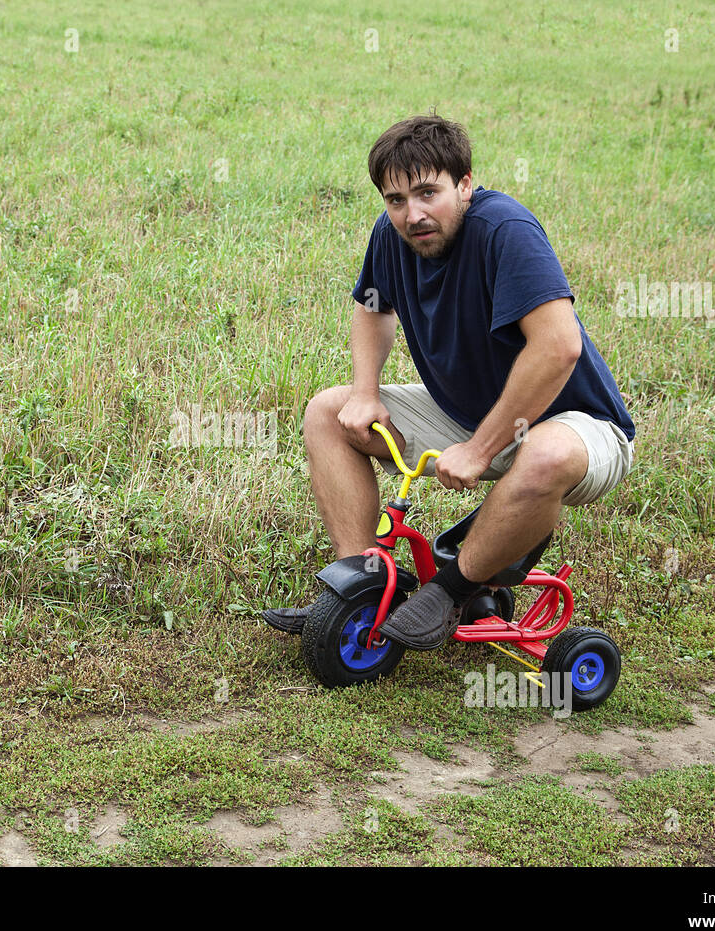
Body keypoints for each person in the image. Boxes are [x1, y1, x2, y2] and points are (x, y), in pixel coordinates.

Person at [262, 113, 636, 650]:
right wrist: (366, 391)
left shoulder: (505, 230)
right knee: (327, 411)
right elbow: (372, 307)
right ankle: (358, 587)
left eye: (427, 193)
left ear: (464, 185)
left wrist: (481, 450)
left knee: (546, 453)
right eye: (395, 200)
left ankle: (449, 591)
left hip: (576, 426)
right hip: (468, 416)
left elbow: (558, 346)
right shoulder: (393, 236)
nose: (412, 214)